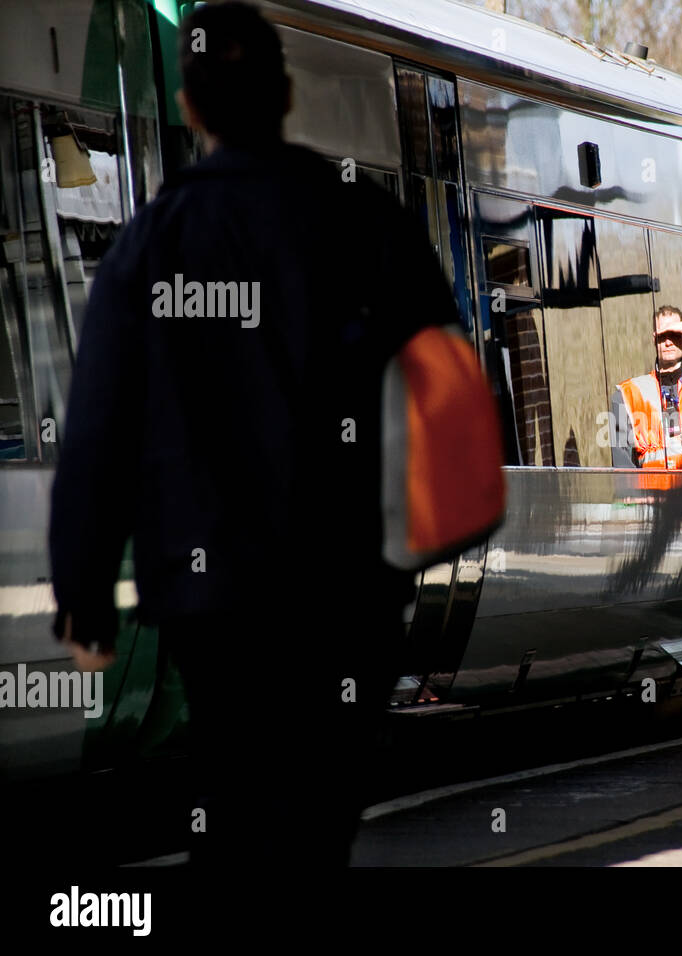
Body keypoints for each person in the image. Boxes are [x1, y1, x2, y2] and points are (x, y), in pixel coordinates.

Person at [48, 2, 458, 865]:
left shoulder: (147, 247)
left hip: (214, 598)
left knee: (236, 801)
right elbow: (445, 390)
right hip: (351, 591)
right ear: (286, 92)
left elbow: (98, 432)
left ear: (190, 109)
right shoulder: (368, 223)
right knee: (315, 818)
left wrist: (85, 594)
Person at [611, 305, 682, 470]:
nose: (667, 342)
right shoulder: (628, 393)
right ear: (654, 339)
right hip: (658, 493)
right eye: (662, 335)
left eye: (674, 334)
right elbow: (622, 465)